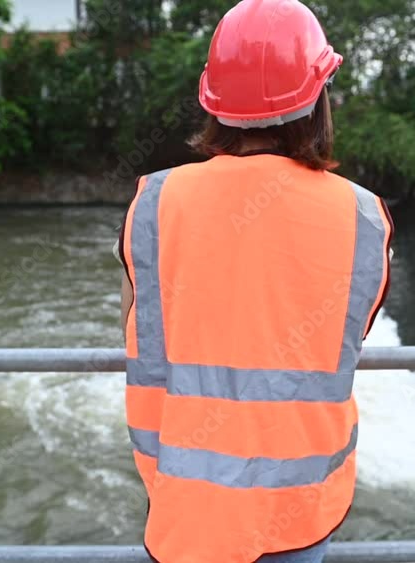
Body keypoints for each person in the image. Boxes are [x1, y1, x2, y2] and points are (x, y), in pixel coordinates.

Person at [114, 1, 393, 561]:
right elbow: (345, 341)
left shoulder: (154, 202)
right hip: (300, 503)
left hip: (184, 504)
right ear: (319, 97)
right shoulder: (364, 216)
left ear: (212, 102)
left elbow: (138, 330)